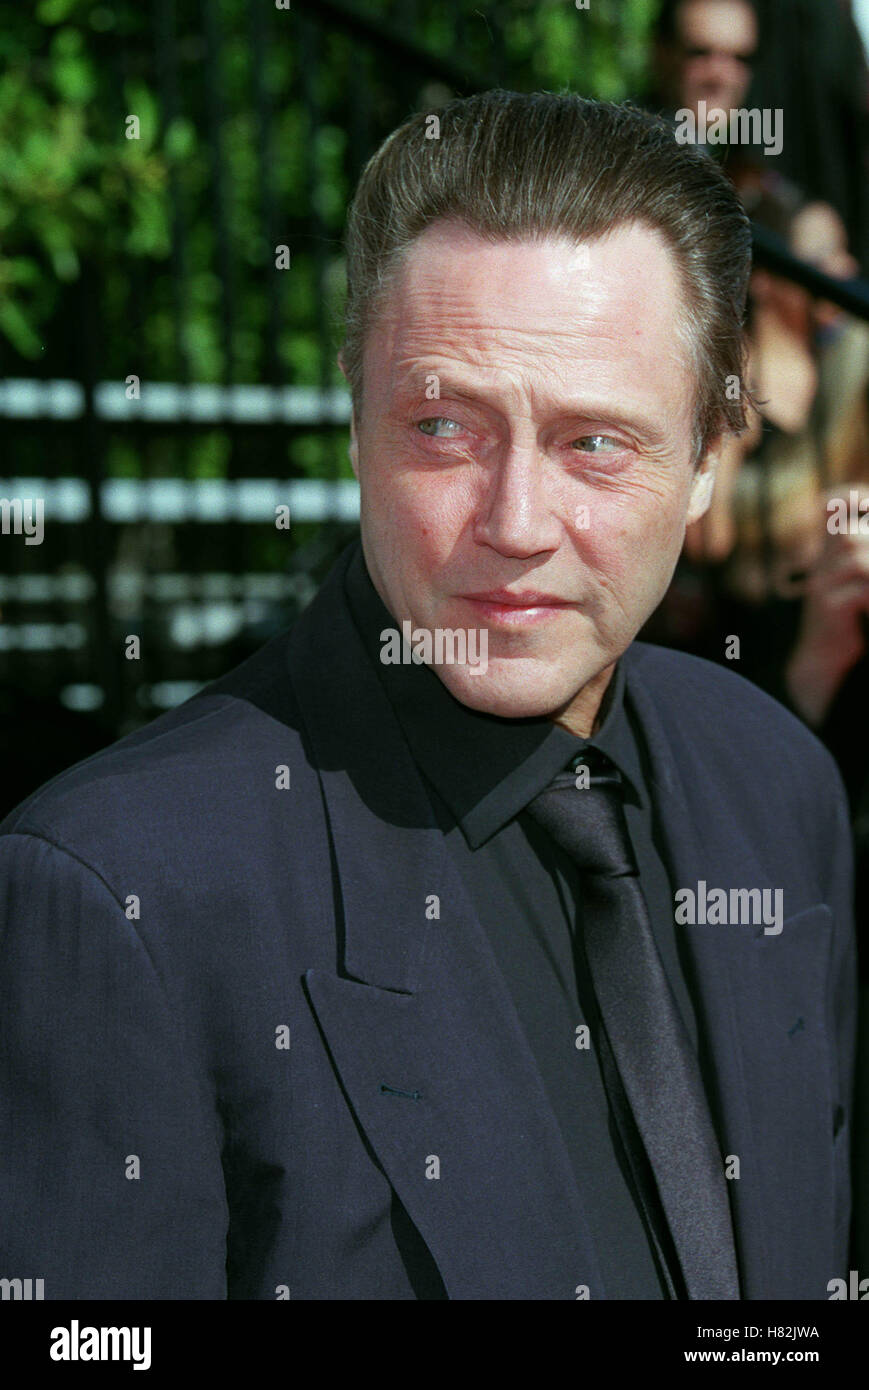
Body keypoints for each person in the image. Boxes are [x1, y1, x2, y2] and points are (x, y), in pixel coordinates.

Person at [0, 91, 856, 1301]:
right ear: (355, 420)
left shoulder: (773, 783)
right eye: (443, 425)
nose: (513, 526)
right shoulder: (117, 893)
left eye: (594, 443)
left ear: (710, 455)